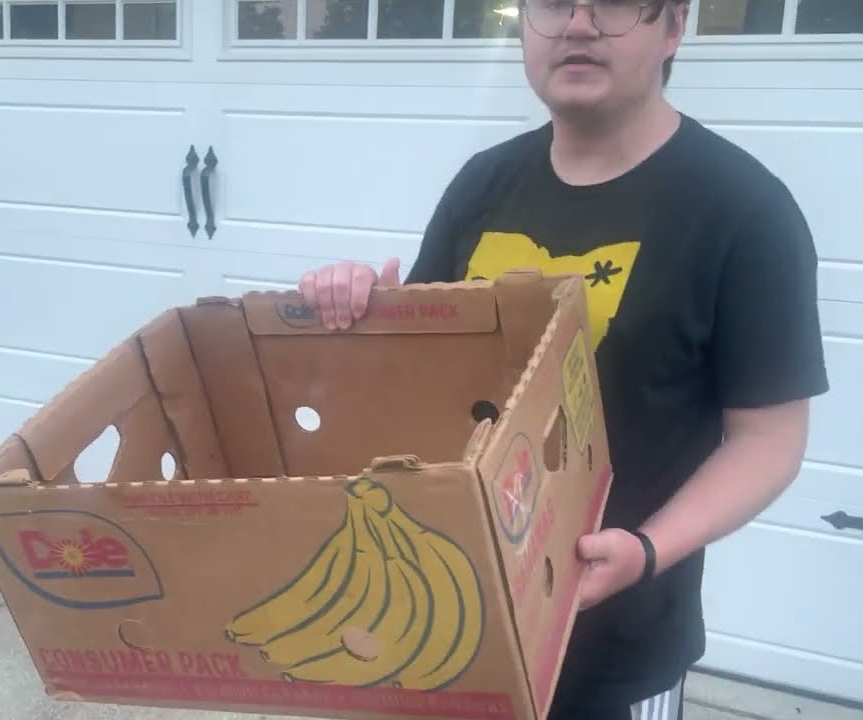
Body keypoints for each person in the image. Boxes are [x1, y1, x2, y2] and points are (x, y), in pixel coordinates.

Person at [297, 0, 830, 718]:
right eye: (551, 5)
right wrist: (362, 309)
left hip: (615, 651)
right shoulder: (483, 186)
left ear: (673, 28)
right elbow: (419, 377)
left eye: (610, 4)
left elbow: (771, 440)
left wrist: (644, 550)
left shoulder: (743, 212)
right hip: (458, 622)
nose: (577, 25)